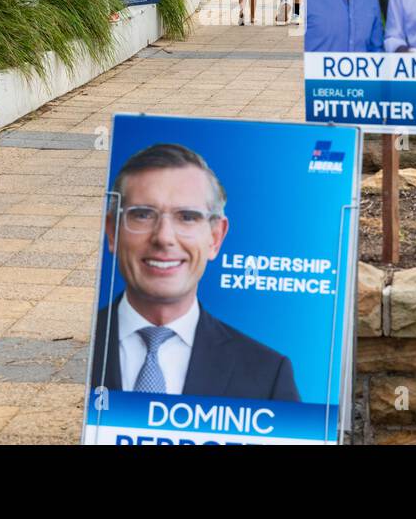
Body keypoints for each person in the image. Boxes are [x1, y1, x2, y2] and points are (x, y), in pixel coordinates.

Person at [90, 143, 300, 400]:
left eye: (187, 217)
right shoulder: (72, 355)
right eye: (143, 215)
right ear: (112, 231)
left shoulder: (268, 375)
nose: (164, 238)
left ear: (215, 237)